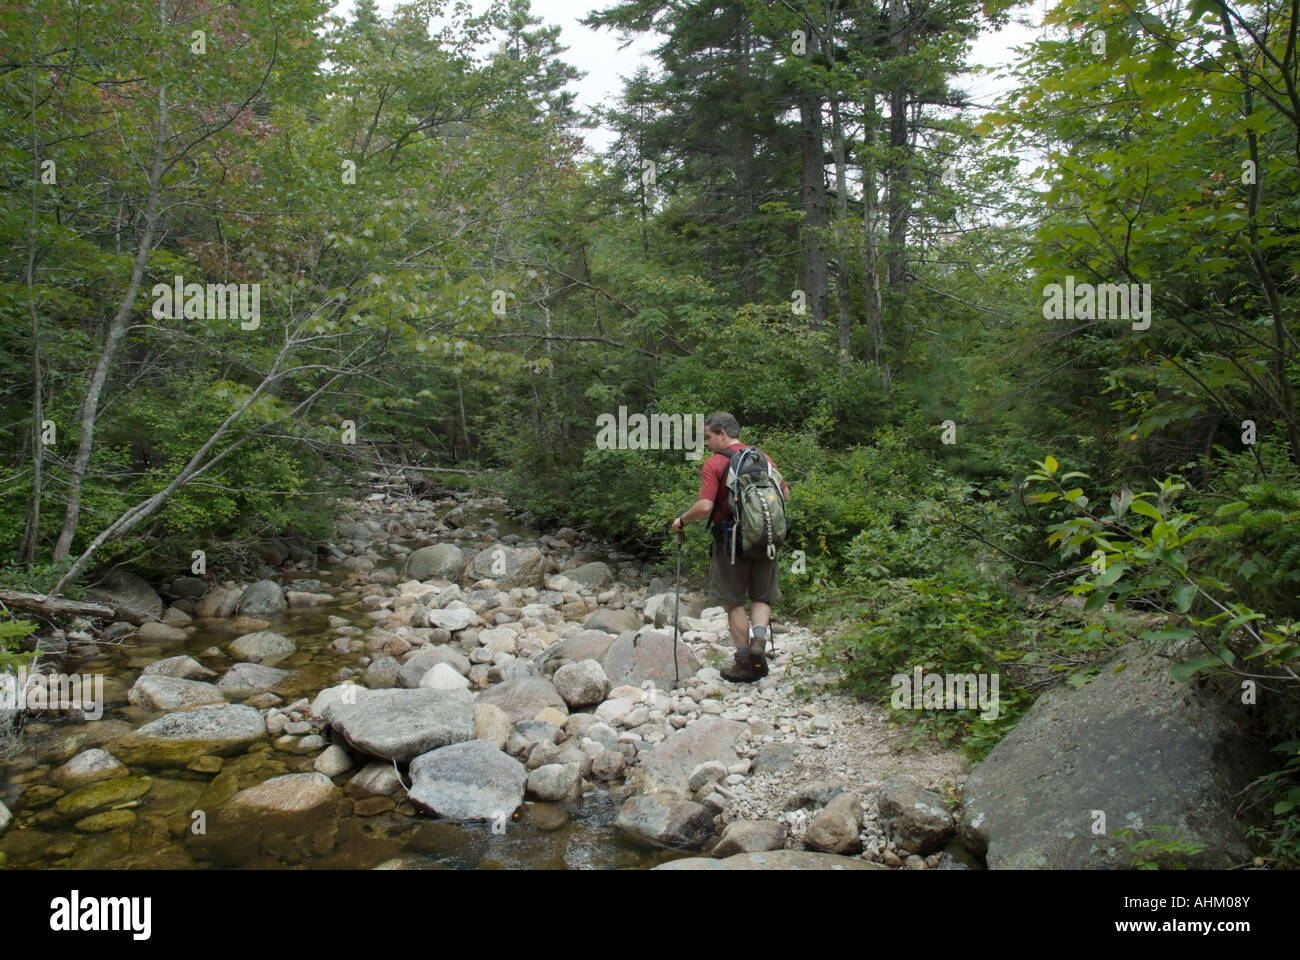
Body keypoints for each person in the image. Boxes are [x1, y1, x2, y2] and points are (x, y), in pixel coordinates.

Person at [670, 412, 788, 683]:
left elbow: (704, 507)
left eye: (708, 436)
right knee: (762, 596)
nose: (707, 442)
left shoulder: (715, 464)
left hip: (731, 542)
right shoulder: (762, 458)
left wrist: (681, 520)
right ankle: (760, 640)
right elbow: (785, 494)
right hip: (766, 539)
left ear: (722, 433)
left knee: (733, 601)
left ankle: (745, 661)